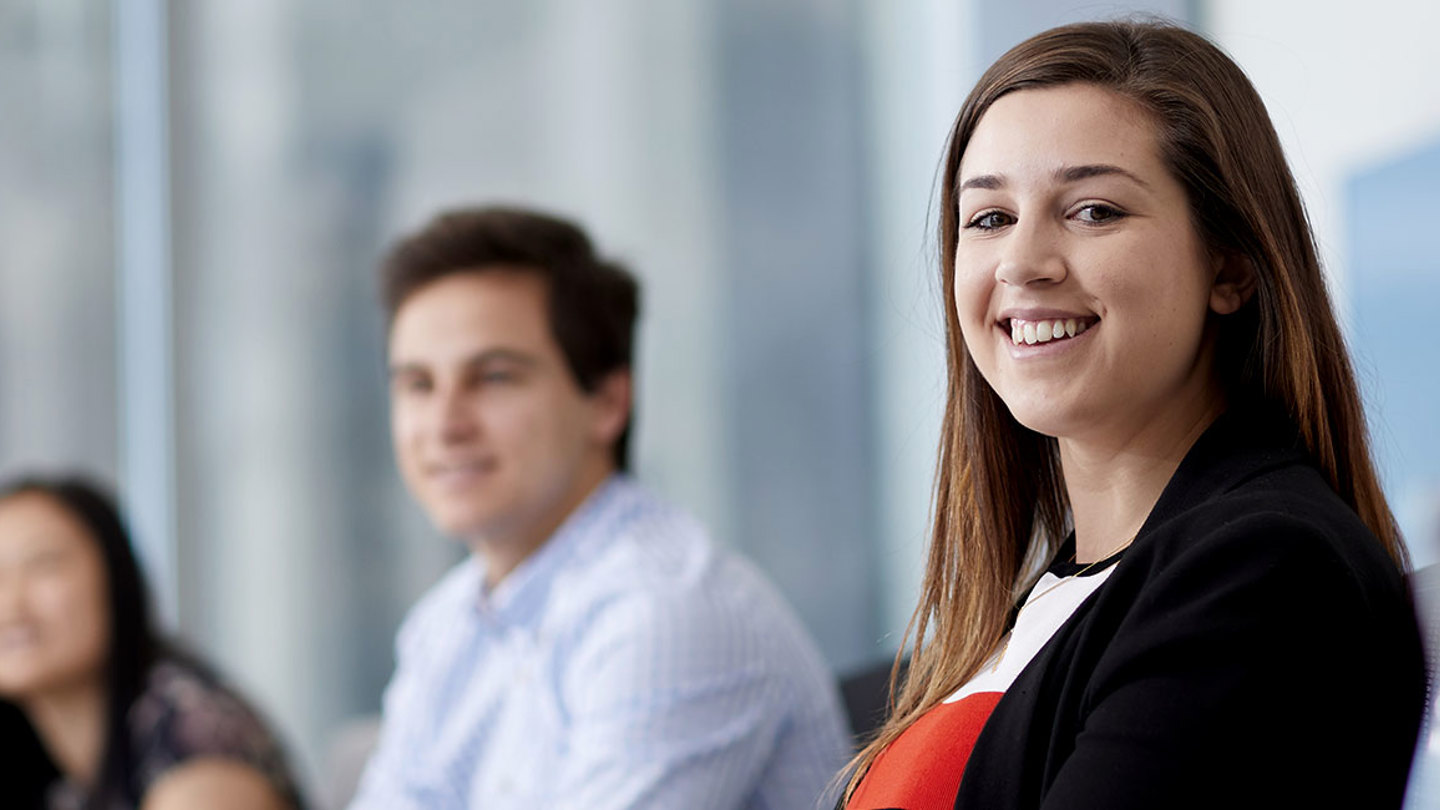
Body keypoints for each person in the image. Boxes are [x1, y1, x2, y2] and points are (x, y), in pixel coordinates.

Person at [841, 20, 1425, 810]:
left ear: (1232, 265)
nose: (1021, 262)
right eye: (989, 219)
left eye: (1092, 211)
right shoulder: (1037, 604)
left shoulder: (1266, 570)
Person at [348, 206, 849, 809]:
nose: (445, 425)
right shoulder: (445, 628)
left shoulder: (666, 611)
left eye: (494, 377)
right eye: (418, 385)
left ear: (608, 401)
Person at [0, 477, 304, 810]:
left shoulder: (187, 723)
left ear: (116, 579)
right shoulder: (37, 752)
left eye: (44, 565)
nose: (12, 605)